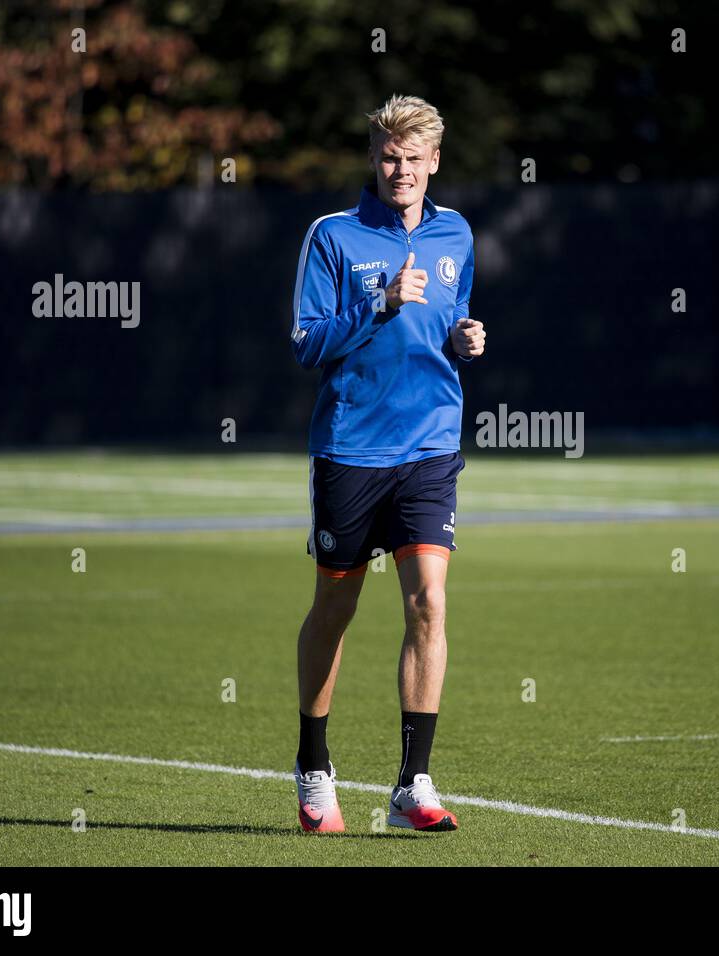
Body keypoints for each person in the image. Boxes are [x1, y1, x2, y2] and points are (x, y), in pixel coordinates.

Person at [288, 94, 485, 833]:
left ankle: (412, 785)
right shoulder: (334, 236)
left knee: (429, 602)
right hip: (351, 448)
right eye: (388, 157)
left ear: (434, 160)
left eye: (412, 157)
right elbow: (306, 343)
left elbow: (449, 319)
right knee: (336, 610)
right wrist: (377, 304)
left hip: (431, 444)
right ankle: (313, 767)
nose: (399, 169)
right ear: (374, 160)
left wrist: (466, 339)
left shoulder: (457, 233)